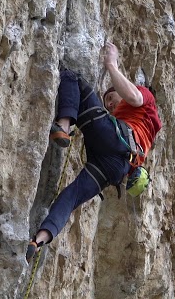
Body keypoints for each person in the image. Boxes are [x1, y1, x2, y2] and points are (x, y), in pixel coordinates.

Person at [27, 41, 162, 261]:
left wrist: (111, 65)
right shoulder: (147, 130)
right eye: (108, 101)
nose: (110, 105)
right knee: (71, 197)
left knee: (73, 78)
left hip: (117, 140)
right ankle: (40, 239)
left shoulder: (145, 98)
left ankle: (63, 126)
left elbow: (134, 97)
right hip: (116, 168)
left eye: (112, 98)